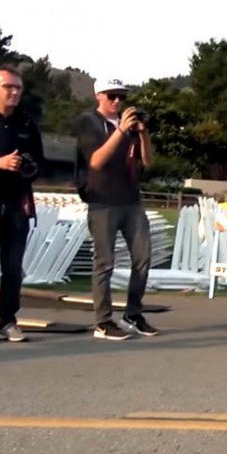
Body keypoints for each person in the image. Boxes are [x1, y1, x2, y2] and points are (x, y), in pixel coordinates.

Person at [74, 77, 156, 340]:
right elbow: (96, 160)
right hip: (102, 201)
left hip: (130, 199)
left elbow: (148, 162)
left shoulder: (129, 127)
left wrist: (142, 132)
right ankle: (103, 321)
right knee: (104, 263)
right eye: (111, 96)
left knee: (143, 258)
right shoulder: (90, 122)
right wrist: (120, 131)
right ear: (99, 96)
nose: (117, 102)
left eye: (121, 97)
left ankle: (133, 313)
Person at [0, 65, 44, 343]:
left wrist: (28, 167)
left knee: (12, 267)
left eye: (18, 88)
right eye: (8, 86)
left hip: (15, 204)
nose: (14, 92)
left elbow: (39, 161)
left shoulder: (26, 122)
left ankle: (7, 320)